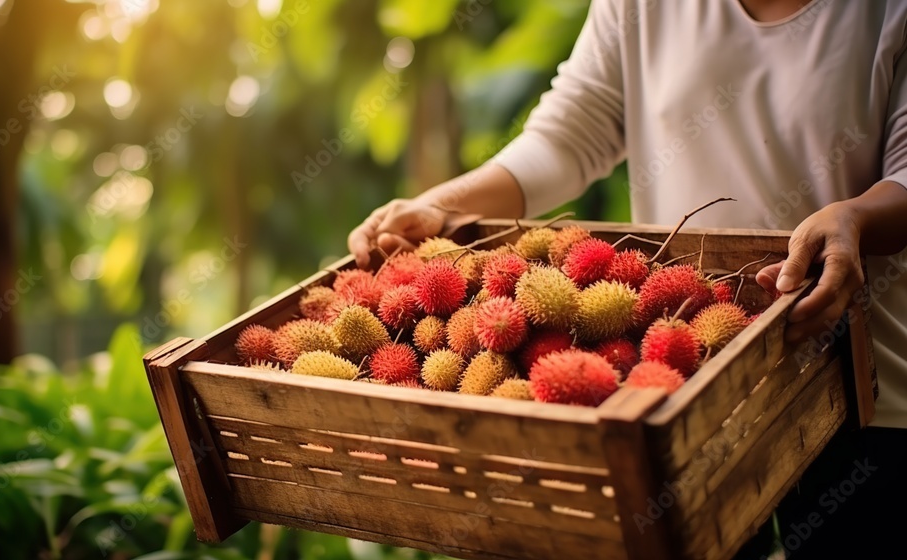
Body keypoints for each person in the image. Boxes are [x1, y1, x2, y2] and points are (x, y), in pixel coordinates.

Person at [348, 1, 907, 557]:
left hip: (864, 386)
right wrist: (442, 204)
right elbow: (570, 135)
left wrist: (855, 218)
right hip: (689, 399)